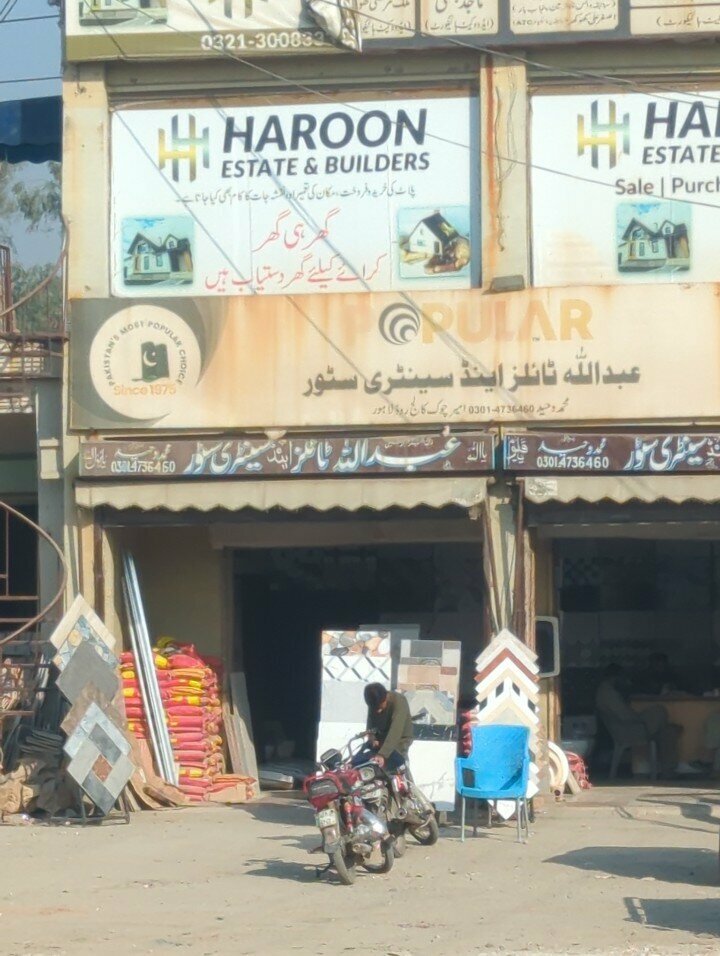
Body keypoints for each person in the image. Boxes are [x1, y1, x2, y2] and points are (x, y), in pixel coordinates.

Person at [596, 663, 681, 777]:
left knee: (669, 730)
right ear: (615, 677)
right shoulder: (608, 693)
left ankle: (667, 770)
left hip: (628, 728)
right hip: (630, 730)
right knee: (663, 719)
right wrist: (642, 718)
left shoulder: (606, 691)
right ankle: (668, 771)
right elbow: (626, 716)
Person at [363, 682, 413, 772]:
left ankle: (406, 782)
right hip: (381, 739)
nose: (378, 711)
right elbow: (370, 724)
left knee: (397, 767)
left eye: (380, 707)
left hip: (400, 740)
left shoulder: (399, 701)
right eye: (375, 708)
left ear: (386, 697)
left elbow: (395, 731)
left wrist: (382, 754)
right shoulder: (374, 702)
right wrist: (371, 738)